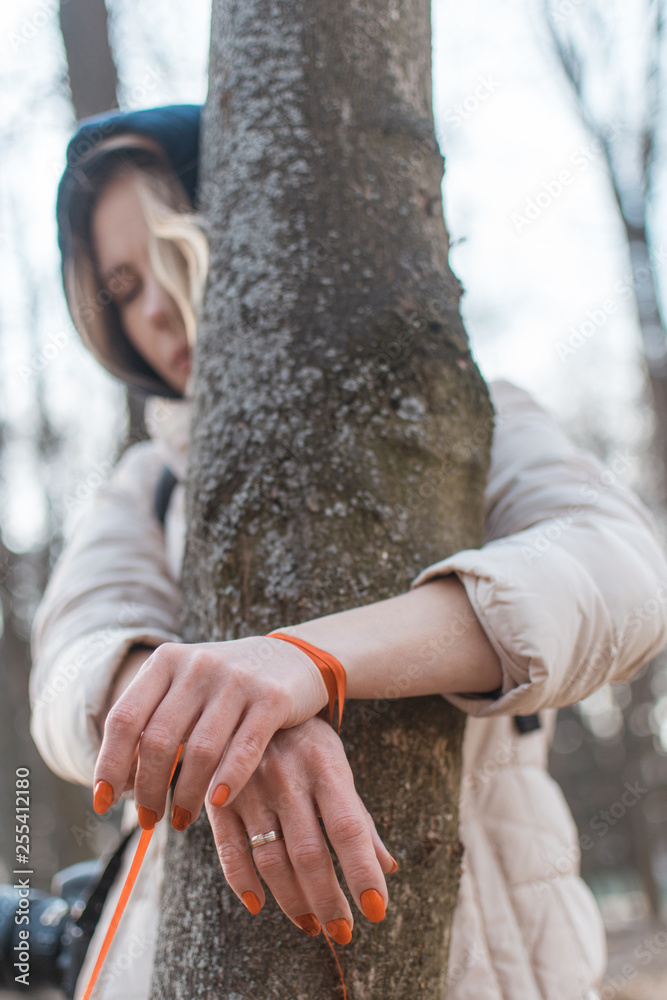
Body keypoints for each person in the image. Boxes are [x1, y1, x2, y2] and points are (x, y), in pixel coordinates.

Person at [29, 104, 667, 1000]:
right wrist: (216, 725)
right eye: (123, 285)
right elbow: (66, 673)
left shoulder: (463, 408)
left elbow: (622, 574)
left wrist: (304, 664)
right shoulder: (145, 484)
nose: (160, 310)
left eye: (177, 251)